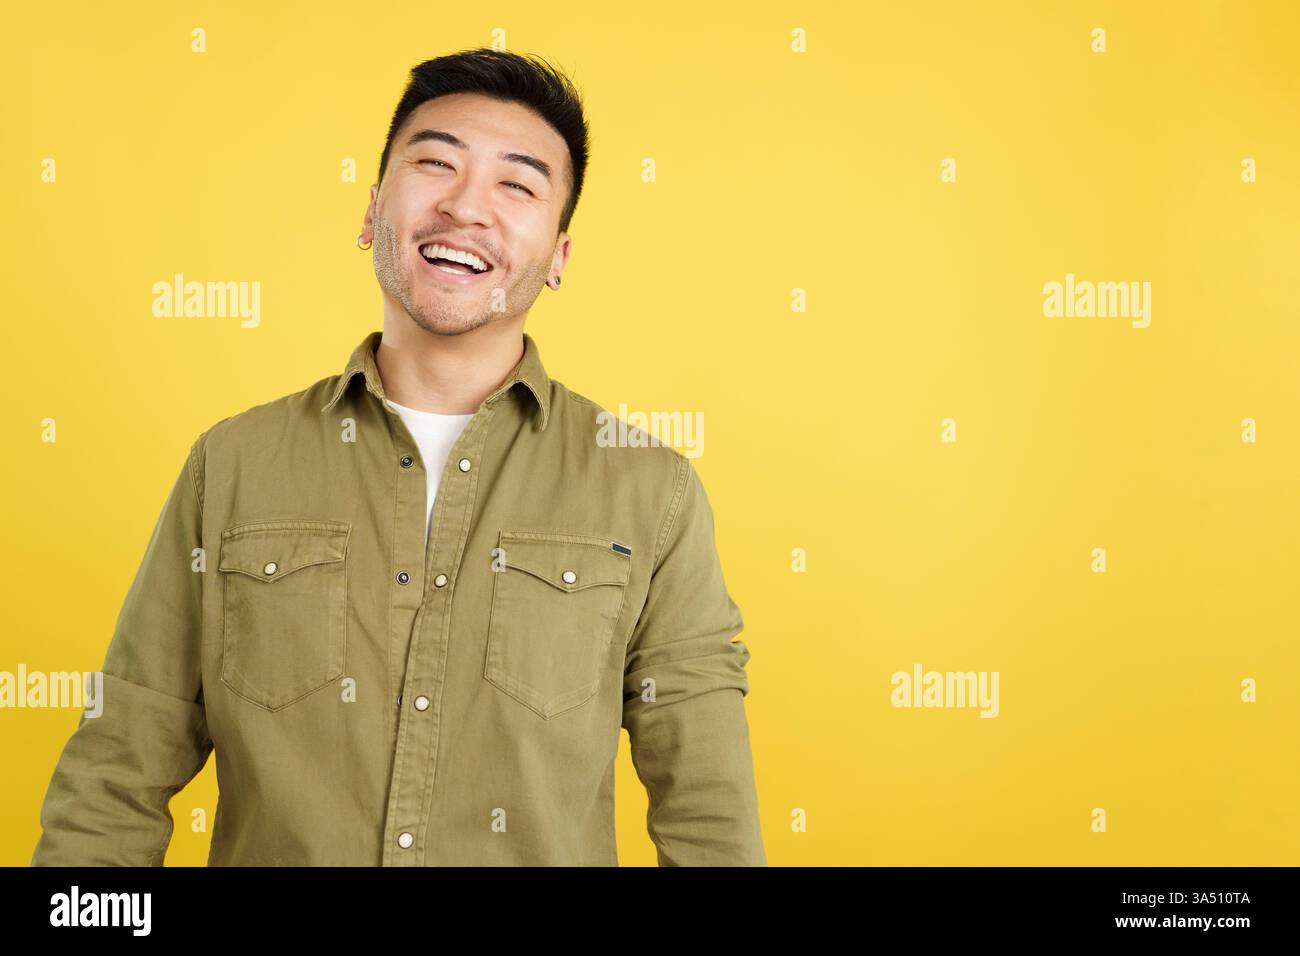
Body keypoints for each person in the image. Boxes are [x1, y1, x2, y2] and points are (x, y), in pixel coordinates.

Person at [31, 47, 765, 866]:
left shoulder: (649, 490)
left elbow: (708, 815)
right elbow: (115, 775)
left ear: (558, 256)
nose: (465, 207)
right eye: (435, 164)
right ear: (374, 207)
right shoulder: (232, 466)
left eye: (516, 186)